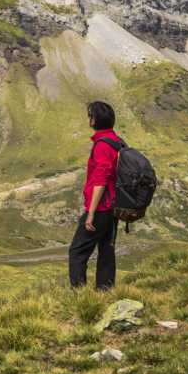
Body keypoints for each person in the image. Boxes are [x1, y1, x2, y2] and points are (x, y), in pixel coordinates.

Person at [69, 100, 120, 289]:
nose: (89, 118)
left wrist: (91, 213)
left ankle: (79, 296)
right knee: (106, 250)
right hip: (114, 206)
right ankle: (105, 292)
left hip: (101, 207)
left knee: (77, 251)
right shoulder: (116, 141)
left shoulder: (102, 145)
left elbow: (101, 179)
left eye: (90, 115)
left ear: (94, 120)